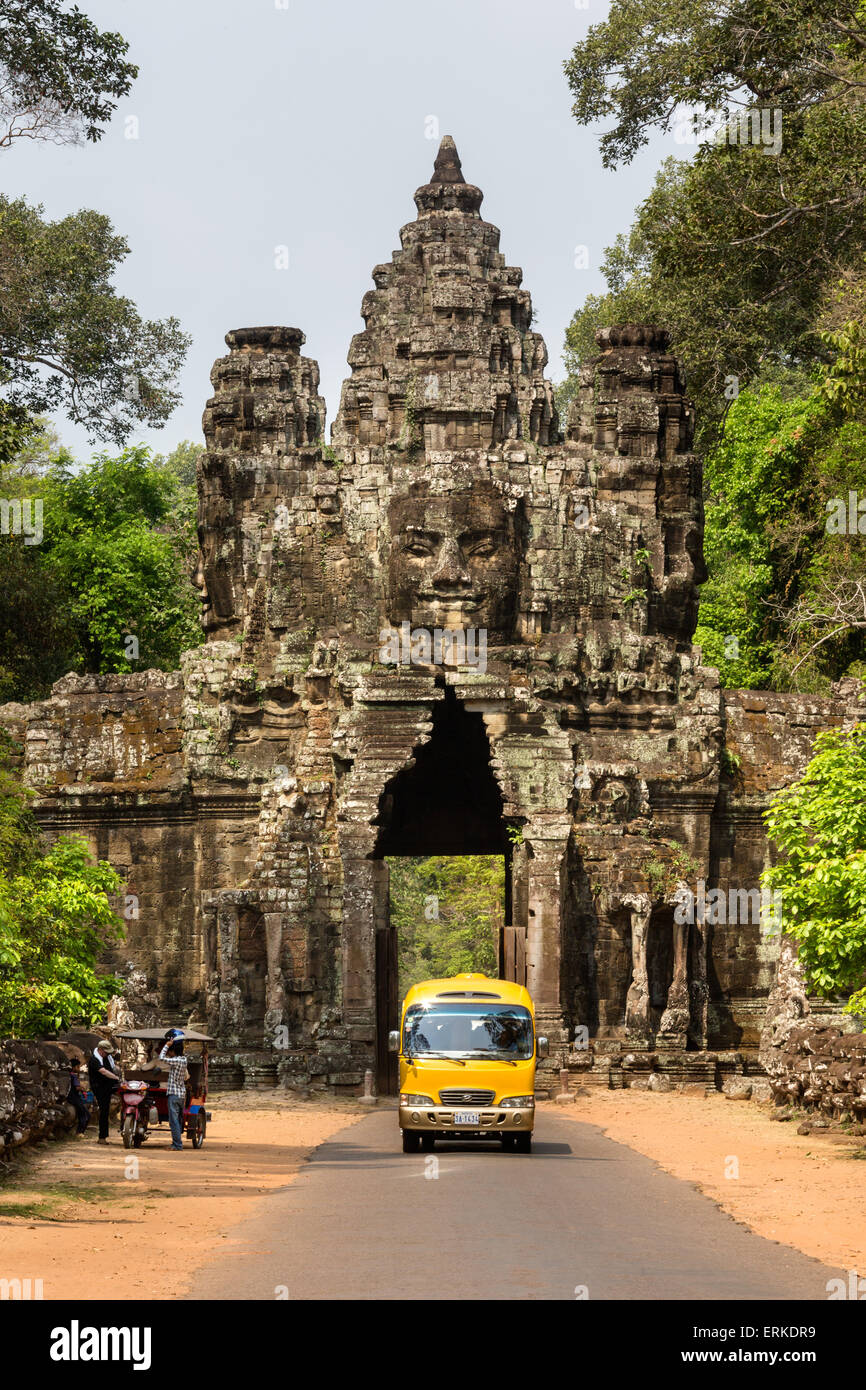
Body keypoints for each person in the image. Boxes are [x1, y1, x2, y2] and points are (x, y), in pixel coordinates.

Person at [158, 1033, 189, 1151]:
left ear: (173, 1051)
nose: (168, 1054)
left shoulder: (175, 1060)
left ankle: (177, 1145)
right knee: (178, 1120)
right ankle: (176, 1143)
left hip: (174, 1095)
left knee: (174, 1121)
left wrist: (166, 1045)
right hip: (181, 1094)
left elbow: (161, 1058)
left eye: (170, 1051)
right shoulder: (183, 1060)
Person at [87, 1039, 119, 1144]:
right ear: (100, 1050)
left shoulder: (107, 1058)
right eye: (106, 1052)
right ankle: (102, 1137)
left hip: (109, 1086)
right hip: (100, 1088)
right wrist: (116, 1078)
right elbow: (103, 1071)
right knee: (104, 1110)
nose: (108, 1054)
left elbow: (113, 1068)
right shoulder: (94, 1060)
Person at [67, 1058, 90, 1136]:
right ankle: (80, 1132)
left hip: (70, 1097)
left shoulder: (68, 1075)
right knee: (84, 1114)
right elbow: (77, 1087)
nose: (79, 1068)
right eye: (78, 1067)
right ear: (73, 1067)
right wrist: (83, 1088)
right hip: (74, 1097)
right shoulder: (73, 1076)